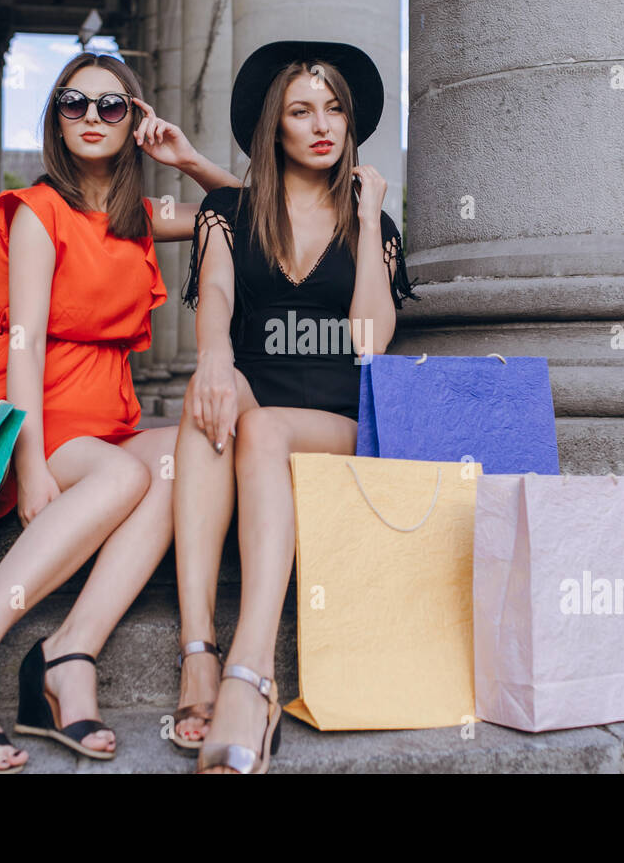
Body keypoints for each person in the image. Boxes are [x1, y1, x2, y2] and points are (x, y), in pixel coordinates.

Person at [0, 52, 241, 773]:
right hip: (29, 409)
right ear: (55, 118)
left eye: (112, 106)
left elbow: (243, 212)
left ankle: (68, 652)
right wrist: (29, 466)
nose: (92, 117)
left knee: (173, 458)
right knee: (126, 479)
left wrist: (187, 158)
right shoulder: (39, 212)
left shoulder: (138, 220)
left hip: (101, 417)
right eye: (74, 103)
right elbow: (23, 346)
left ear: (135, 121)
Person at [170, 40, 416, 773]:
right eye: (301, 110)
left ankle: (248, 671)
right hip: (251, 402)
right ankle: (196, 655)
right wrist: (213, 354)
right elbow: (214, 295)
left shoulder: (376, 227)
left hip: (337, 418)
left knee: (262, 425)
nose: (321, 124)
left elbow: (371, 340)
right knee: (211, 398)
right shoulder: (228, 211)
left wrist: (370, 219)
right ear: (273, 128)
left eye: (334, 109)